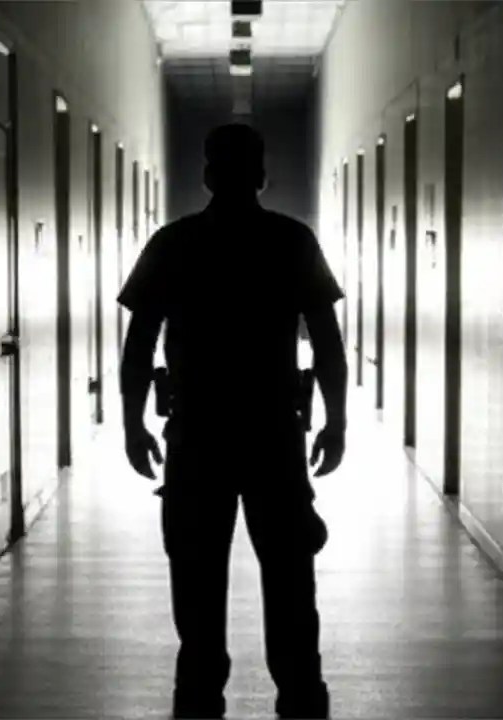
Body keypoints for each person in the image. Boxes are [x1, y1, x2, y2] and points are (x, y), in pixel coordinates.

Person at [117, 123, 348, 719]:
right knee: (291, 579)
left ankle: (198, 699)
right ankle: (301, 698)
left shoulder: (174, 243)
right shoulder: (291, 241)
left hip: (199, 434)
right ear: (262, 174)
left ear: (208, 175)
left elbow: (139, 345)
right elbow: (327, 343)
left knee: (196, 581)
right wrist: (336, 420)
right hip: (273, 432)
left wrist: (133, 424)